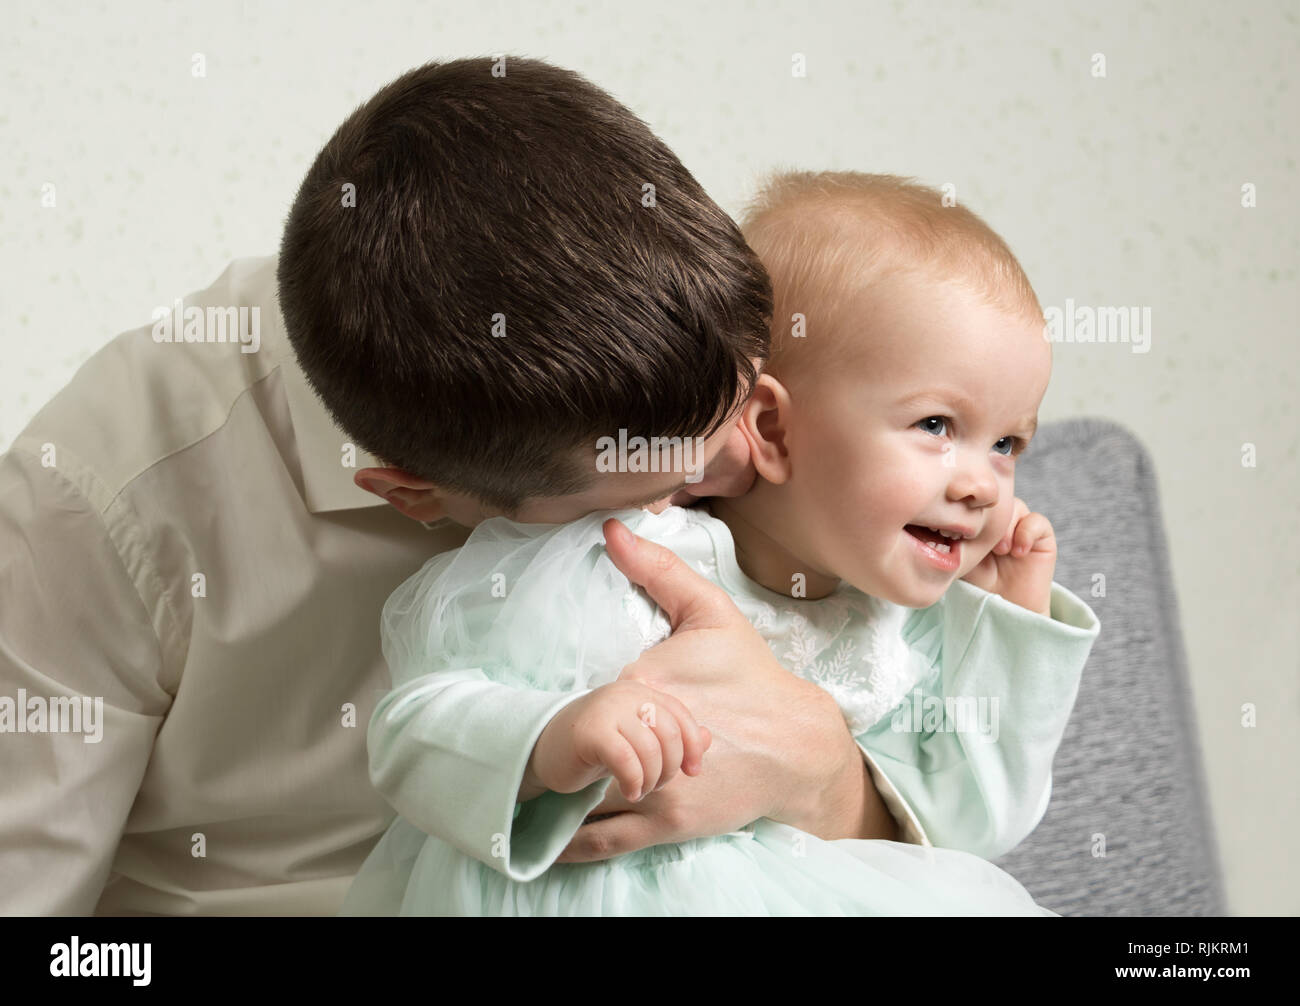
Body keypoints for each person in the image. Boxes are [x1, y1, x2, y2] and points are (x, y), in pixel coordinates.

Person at [0, 58, 910, 917]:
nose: (752, 469)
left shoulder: (681, 325)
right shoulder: (95, 503)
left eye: (750, 411)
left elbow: (934, 773)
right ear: (413, 492)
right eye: (649, 493)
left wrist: (824, 781)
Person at [336, 171, 1101, 915]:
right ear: (770, 427)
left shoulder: (909, 632)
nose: (982, 485)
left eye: (1008, 443)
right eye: (936, 426)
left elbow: (975, 826)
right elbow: (413, 732)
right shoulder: (619, 554)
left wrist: (1009, 626)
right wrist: (550, 738)